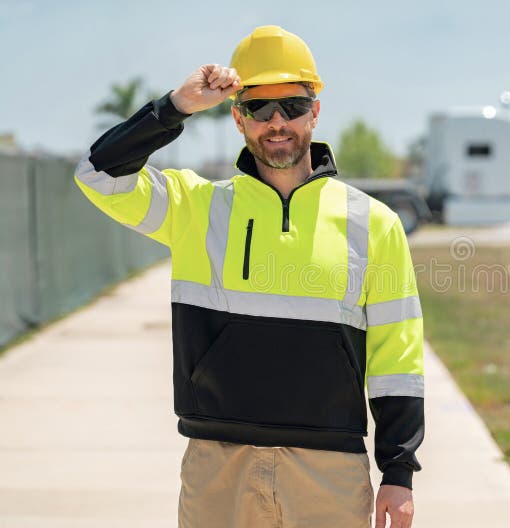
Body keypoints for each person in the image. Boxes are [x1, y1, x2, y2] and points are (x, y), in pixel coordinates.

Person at [74, 25, 424, 528]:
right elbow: (97, 174)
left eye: (293, 106)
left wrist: (398, 470)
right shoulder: (196, 208)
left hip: (329, 471)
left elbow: (398, 356)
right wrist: (177, 106)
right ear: (238, 117)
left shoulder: (374, 224)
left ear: (315, 112)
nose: (277, 122)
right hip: (218, 466)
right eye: (259, 108)